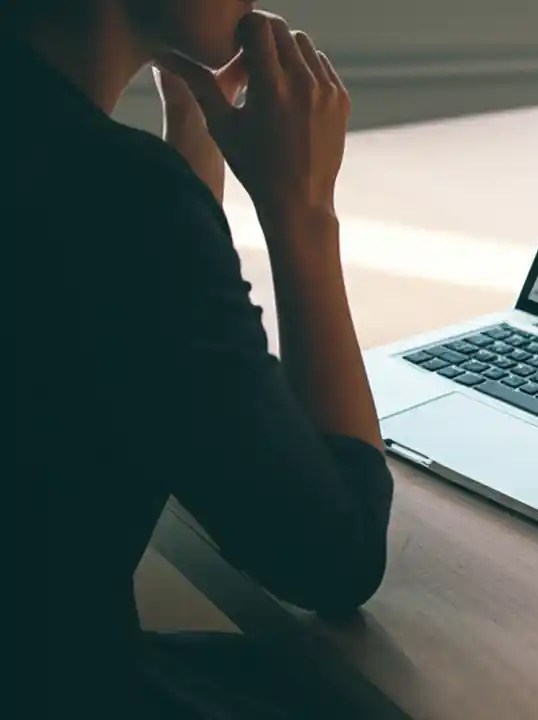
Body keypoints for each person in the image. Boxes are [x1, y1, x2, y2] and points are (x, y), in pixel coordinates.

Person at [8, 1, 396, 717]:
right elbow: (333, 558)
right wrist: (301, 210)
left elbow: (147, 341)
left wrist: (191, 129)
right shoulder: (112, 194)